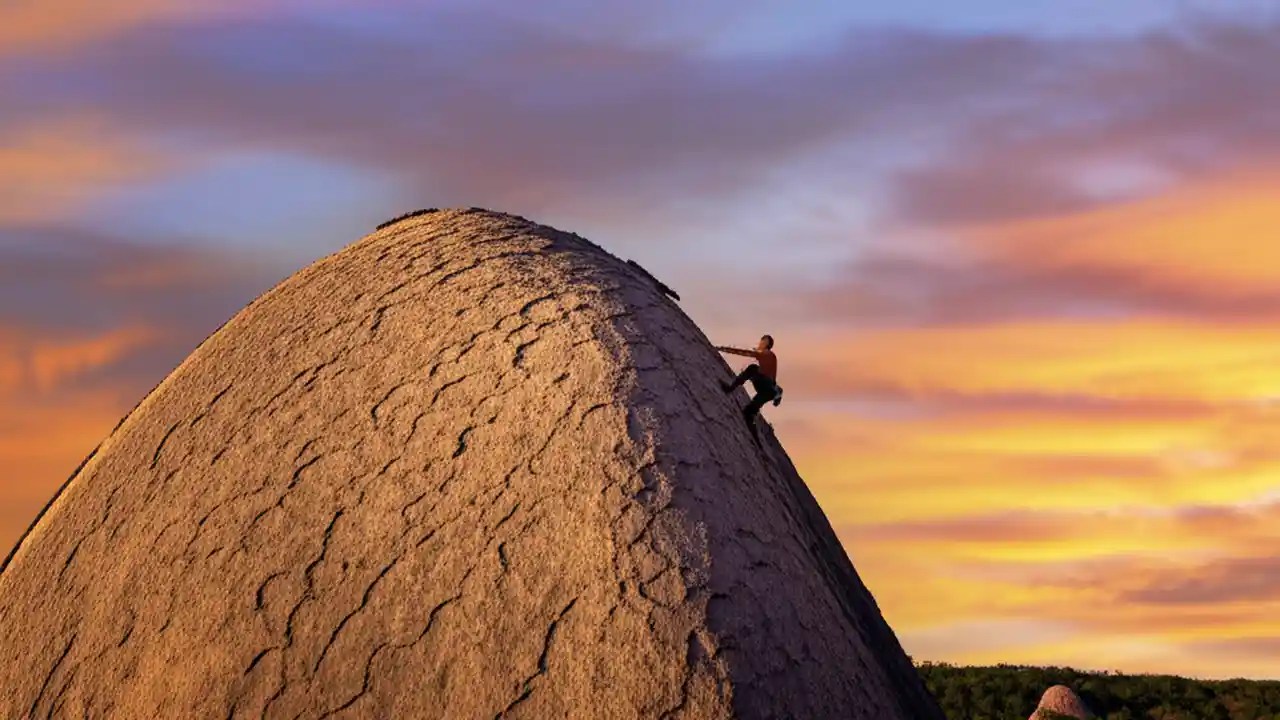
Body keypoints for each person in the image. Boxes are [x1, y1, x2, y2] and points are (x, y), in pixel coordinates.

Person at [716, 335, 780, 425]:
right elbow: (773, 378)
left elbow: (745, 353)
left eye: (762, 341)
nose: (760, 343)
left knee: (752, 368)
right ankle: (751, 417)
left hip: (766, 386)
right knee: (749, 412)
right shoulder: (770, 357)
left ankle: (730, 388)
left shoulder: (767, 353)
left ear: (766, 343)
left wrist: (725, 349)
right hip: (768, 390)